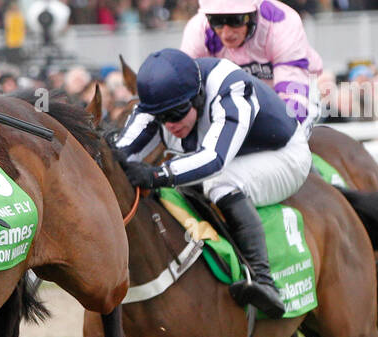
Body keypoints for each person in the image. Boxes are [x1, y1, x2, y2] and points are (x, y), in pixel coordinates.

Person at [113, 48, 312, 318]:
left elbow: (214, 160)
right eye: (162, 118)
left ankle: (264, 281)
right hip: (234, 157)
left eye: (176, 113)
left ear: (198, 97)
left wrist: (155, 175)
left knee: (218, 182)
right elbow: (118, 152)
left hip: (283, 156)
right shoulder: (159, 102)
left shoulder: (232, 89)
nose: (170, 124)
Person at [180, 0, 324, 127]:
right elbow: (185, 88)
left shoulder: (283, 24)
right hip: (239, 96)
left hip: (297, 87)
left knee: (290, 136)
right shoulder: (198, 29)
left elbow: (293, 94)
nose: (226, 33)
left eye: (236, 20)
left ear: (254, 14)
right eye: (217, 21)